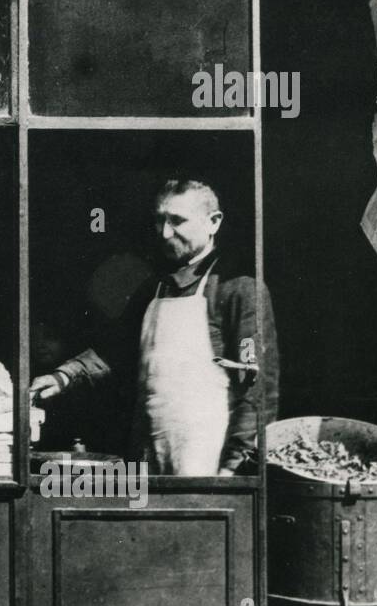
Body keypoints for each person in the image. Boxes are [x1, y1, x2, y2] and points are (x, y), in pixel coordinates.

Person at [30, 178, 278, 476]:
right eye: (159, 220)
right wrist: (63, 377)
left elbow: (255, 386)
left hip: (209, 462)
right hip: (150, 454)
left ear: (214, 222)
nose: (165, 233)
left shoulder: (238, 289)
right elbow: (114, 351)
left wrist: (234, 467)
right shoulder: (154, 289)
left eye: (177, 221)